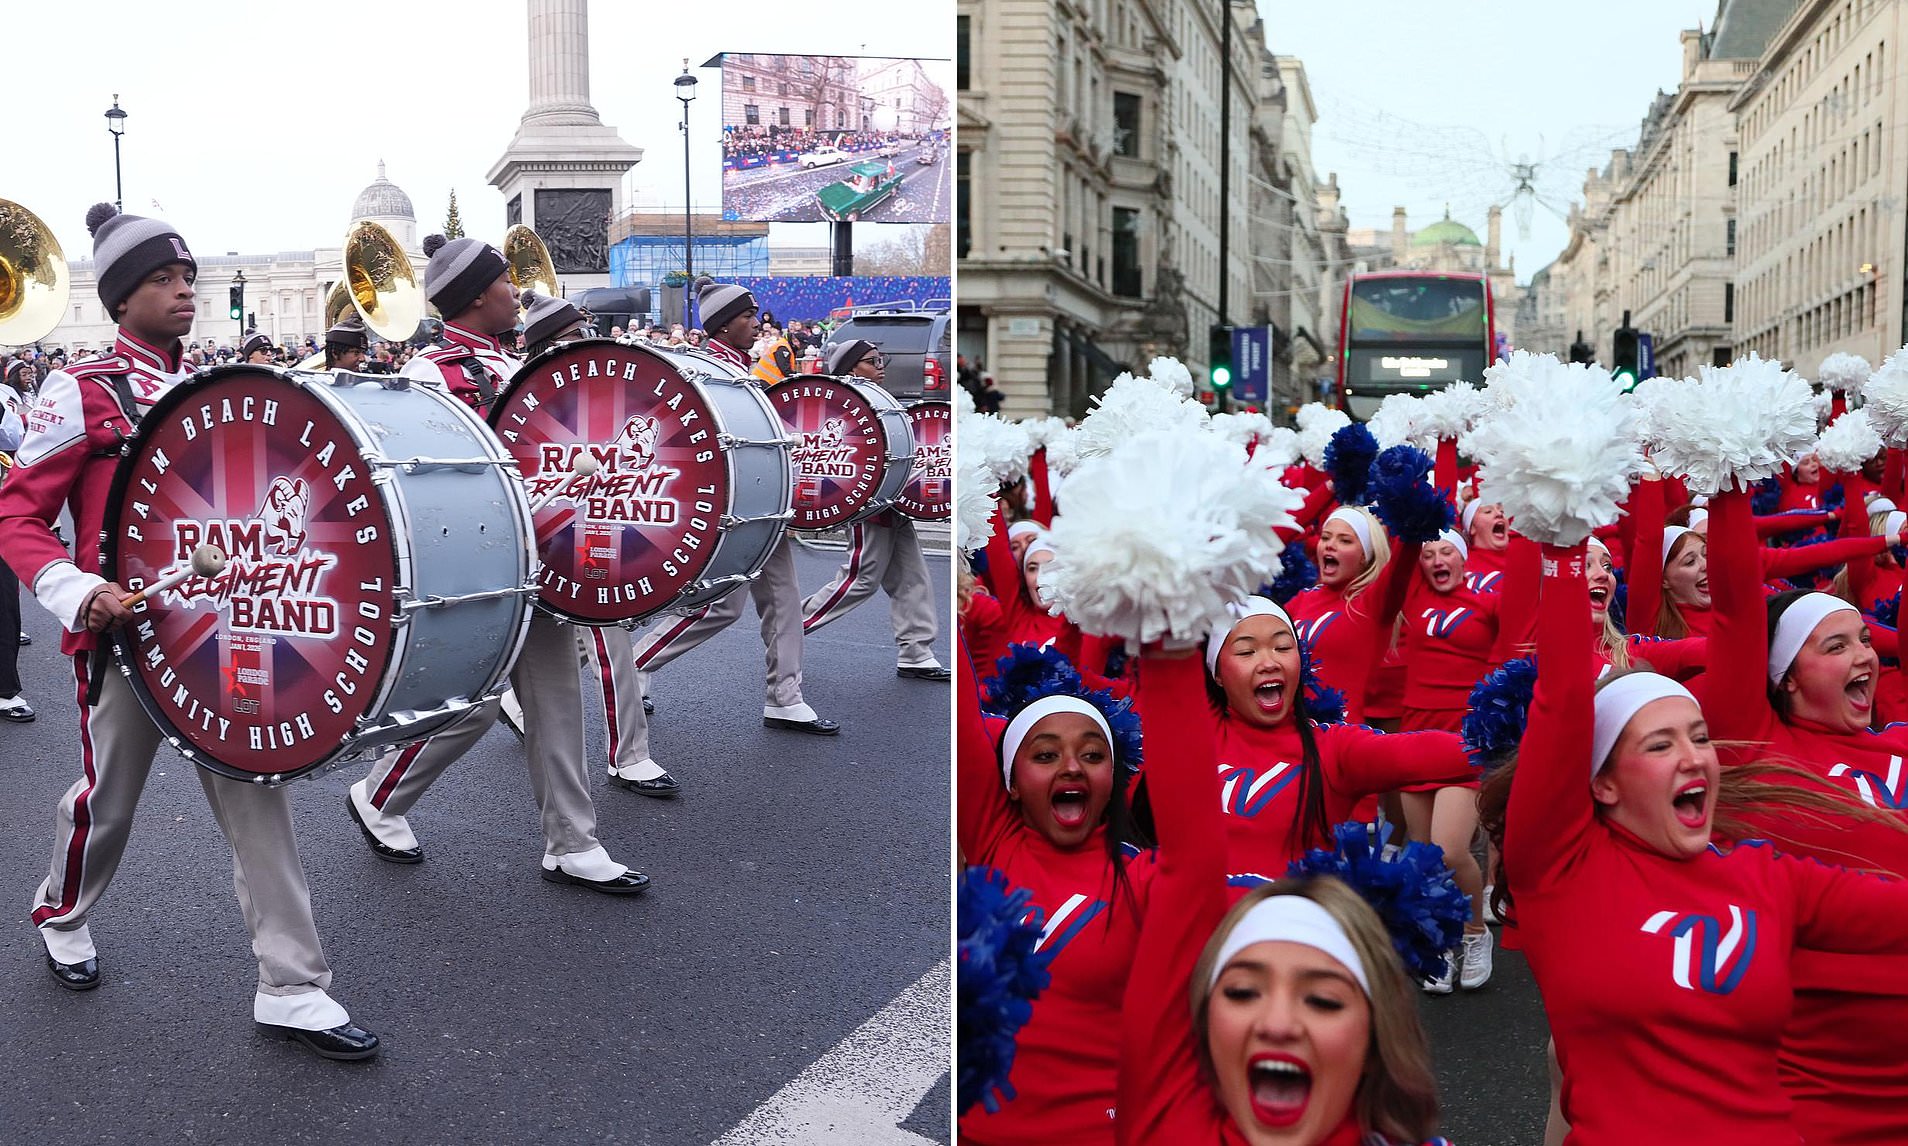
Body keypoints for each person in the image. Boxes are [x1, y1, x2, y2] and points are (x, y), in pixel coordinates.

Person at [0, 204, 377, 1059]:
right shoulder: (84, 389)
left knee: (259, 794)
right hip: (130, 637)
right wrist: (77, 589)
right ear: (123, 295)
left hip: (228, 630)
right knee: (109, 801)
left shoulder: (219, 390)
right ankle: (62, 914)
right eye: (163, 281)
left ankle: (292, 984)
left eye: (187, 280)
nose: (183, 294)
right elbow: (17, 514)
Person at [1483, 536, 1908, 1144]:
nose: (1694, 759)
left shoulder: (1765, 876)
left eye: (1701, 738)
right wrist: (1561, 547)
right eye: (1661, 745)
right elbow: (1560, 700)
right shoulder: (1561, 875)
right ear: (1600, 782)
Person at [344, 236, 647, 894]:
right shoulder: (428, 375)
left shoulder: (517, 370)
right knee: (473, 707)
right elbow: (418, 480)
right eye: (506, 283)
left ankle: (572, 841)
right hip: (475, 567)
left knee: (558, 703)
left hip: (541, 560)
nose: (518, 292)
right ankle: (379, 796)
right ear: (480, 296)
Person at [1117, 647, 1449, 1146]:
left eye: (1322, 1001)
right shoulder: (1166, 1125)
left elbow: (1457, 753)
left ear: (1376, 1032)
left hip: (1327, 920)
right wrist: (1167, 631)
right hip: (1200, 947)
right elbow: (1188, 861)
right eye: (1242, 993)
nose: (1278, 1024)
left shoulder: (1329, 748)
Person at [631, 279, 841, 736]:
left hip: (765, 504)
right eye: (747, 316)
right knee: (721, 607)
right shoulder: (703, 371)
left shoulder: (745, 369)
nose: (757, 323)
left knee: (783, 598)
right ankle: (634, 665)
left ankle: (785, 697)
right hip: (730, 511)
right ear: (724, 324)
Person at [800, 339, 950, 681]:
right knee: (860, 579)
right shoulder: (849, 406)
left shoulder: (880, 399)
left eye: (882, 359)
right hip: (870, 503)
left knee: (912, 576)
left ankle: (916, 651)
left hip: (895, 500)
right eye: (872, 361)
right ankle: (789, 630)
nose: (881, 365)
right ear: (852, 368)